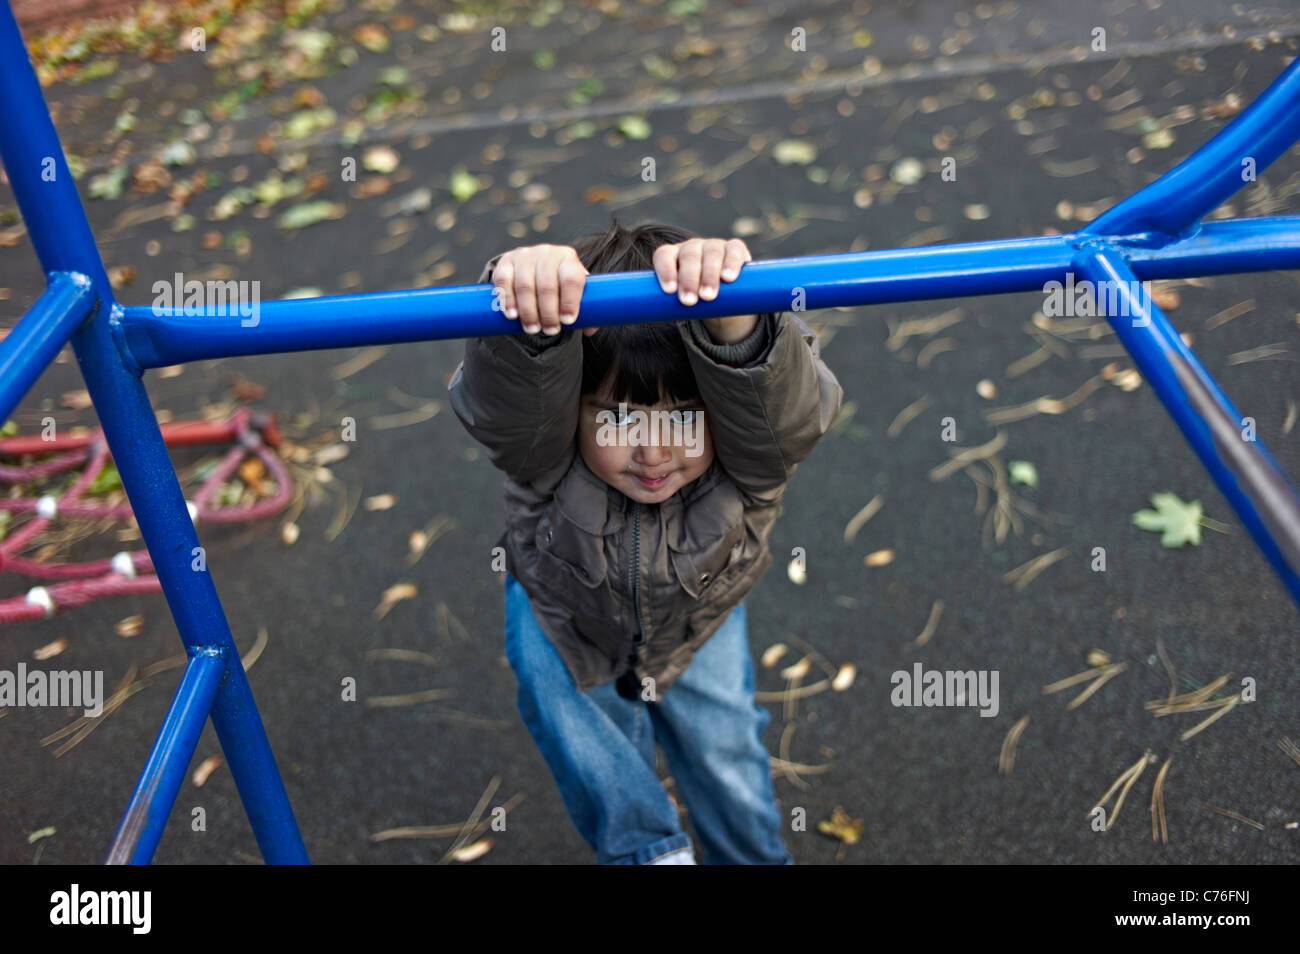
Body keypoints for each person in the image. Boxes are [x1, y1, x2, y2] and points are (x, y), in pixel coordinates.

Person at [447, 218, 843, 864]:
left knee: (724, 753)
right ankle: (648, 851)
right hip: (565, 615)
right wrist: (532, 329)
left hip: (698, 620)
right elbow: (512, 409)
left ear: (719, 408)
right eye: (617, 417)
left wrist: (740, 329)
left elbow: (785, 417)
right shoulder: (545, 450)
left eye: (683, 417)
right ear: (570, 405)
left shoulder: (752, 455)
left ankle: (750, 857)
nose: (653, 452)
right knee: (583, 731)